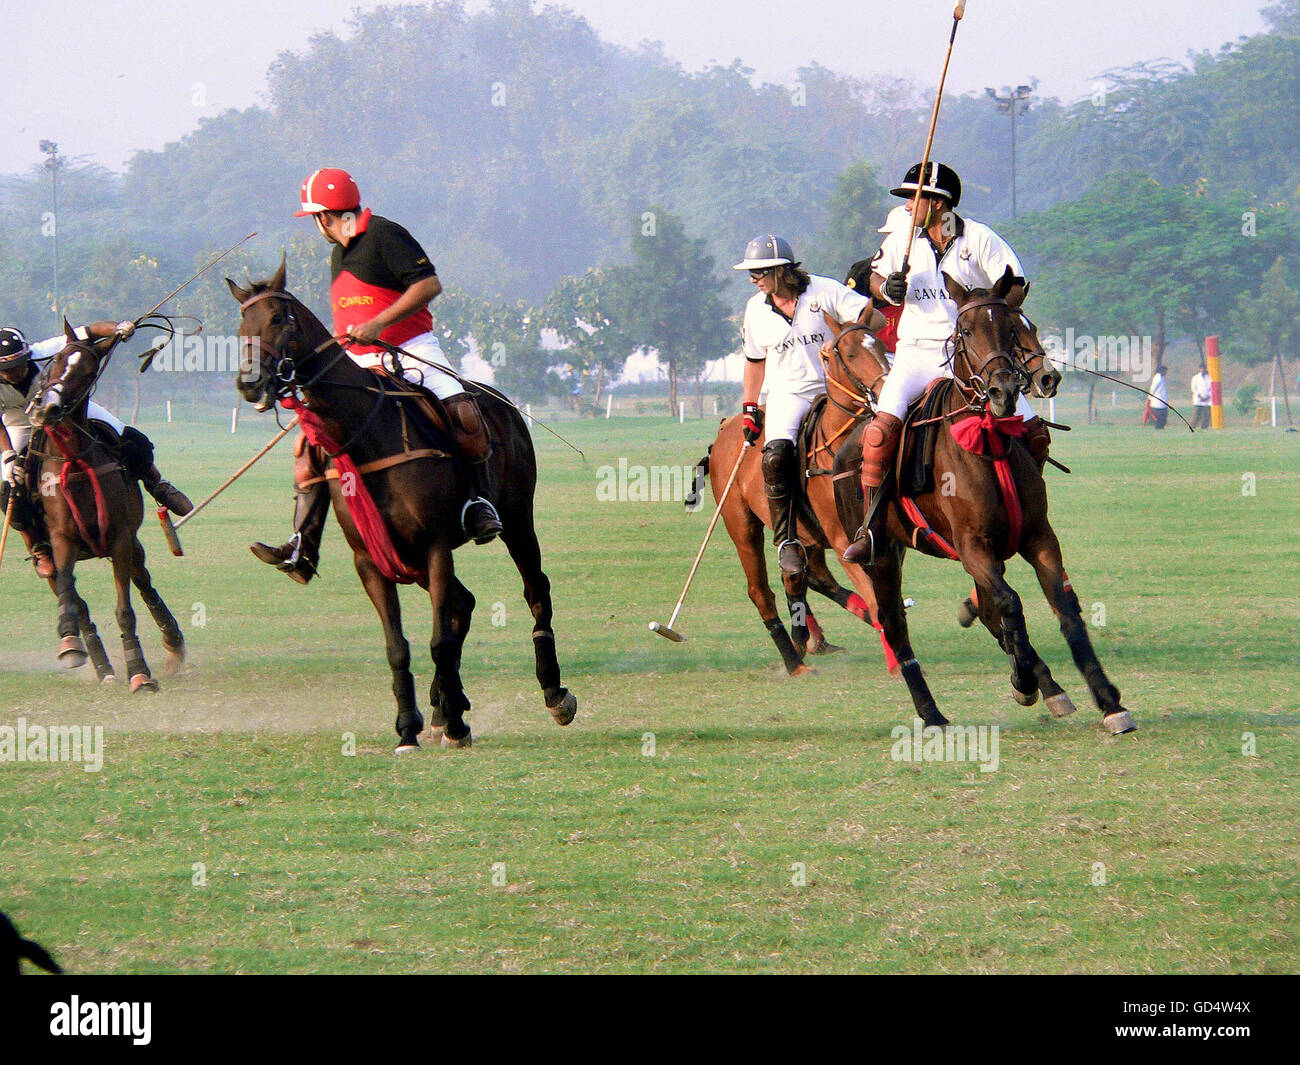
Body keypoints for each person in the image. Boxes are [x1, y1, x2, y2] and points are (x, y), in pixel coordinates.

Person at [251, 167, 502, 583]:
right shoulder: (338, 253)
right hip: (361, 362)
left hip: (413, 351)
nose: (317, 226)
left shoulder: (385, 235)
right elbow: (351, 315)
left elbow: (428, 285)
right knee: (311, 437)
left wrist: (380, 324)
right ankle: (303, 542)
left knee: (461, 410)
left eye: (315, 218)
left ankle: (477, 504)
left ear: (325, 216)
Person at [842, 162, 1048, 564]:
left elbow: (1017, 287)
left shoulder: (979, 238)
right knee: (878, 435)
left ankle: (1025, 510)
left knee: (1035, 433)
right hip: (917, 354)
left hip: (969, 359)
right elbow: (874, 281)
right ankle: (870, 526)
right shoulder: (903, 237)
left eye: (915, 197)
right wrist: (887, 286)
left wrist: (981, 311)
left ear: (938, 203)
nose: (908, 205)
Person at [735, 234, 880, 578]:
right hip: (789, 393)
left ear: (781, 270)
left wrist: (862, 320)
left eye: (759, 272)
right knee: (776, 455)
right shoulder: (755, 308)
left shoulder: (824, 291)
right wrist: (750, 406)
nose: (753, 280)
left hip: (838, 389)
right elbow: (755, 361)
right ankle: (787, 540)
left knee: (882, 438)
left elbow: (872, 321)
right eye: (752, 274)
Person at [0, 322, 192, 578]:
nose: (13, 372)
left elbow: (90, 331)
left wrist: (118, 328)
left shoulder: (46, 351)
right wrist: (9, 455)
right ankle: (38, 546)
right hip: (19, 424)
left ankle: (157, 484)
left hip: (69, 409)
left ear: (27, 355)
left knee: (131, 439)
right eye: (6, 369)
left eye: (17, 364)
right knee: (9, 487)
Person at [1190, 364, 1212, 429]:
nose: (1203, 370)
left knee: (1207, 414)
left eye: (1204, 368)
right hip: (1198, 399)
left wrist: (1208, 396)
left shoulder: (1210, 377)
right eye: (1202, 368)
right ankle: (1193, 426)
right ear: (1200, 369)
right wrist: (1199, 396)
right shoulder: (1195, 377)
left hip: (1207, 399)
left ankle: (1204, 427)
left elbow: (1212, 388)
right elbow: (1193, 388)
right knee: (1197, 414)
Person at [1149, 364, 1169, 429]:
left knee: (1164, 419)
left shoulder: (1161, 378)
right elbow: (1152, 389)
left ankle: (1160, 429)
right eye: (1165, 371)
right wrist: (1149, 398)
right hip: (1157, 403)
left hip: (1162, 403)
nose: (1166, 373)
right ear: (1161, 371)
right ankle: (1158, 430)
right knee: (1160, 419)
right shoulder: (1158, 378)